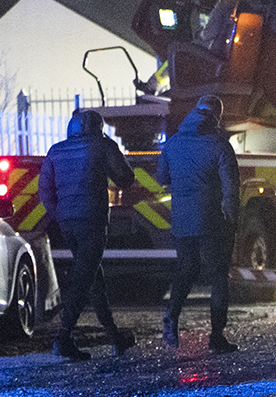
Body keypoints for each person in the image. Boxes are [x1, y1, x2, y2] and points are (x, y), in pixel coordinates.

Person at [39, 108, 138, 360]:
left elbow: (45, 191)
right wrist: (110, 148)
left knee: (93, 277)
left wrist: (60, 213)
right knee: (84, 279)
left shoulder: (55, 151)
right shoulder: (102, 145)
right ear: (98, 127)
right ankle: (63, 338)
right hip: (92, 220)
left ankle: (115, 337)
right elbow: (126, 178)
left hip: (67, 223)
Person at [158, 94, 241, 353]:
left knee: (187, 269)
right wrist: (233, 219)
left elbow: (162, 177)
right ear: (216, 116)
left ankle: (172, 315)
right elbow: (231, 189)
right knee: (218, 277)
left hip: (181, 222)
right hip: (211, 222)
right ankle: (216, 337)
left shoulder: (172, 144)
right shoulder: (219, 145)